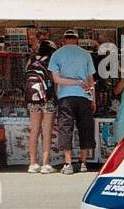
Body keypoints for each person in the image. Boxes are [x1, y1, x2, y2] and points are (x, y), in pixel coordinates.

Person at [49, 30, 97, 174]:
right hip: (84, 97)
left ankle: (68, 163)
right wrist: (93, 98)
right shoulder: (86, 54)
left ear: (64, 39)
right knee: (85, 128)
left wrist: (67, 88)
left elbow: (56, 79)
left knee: (66, 128)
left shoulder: (57, 54)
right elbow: (91, 80)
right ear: (77, 40)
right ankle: (83, 163)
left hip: (66, 97)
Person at [23, 39, 58, 174]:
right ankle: (45, 164)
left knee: (34, 129)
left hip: (32, 99)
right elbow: (54, 80)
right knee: (46, 130)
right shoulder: (51, 60)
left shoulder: (31, 59)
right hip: (47, 98)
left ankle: (32, 163)